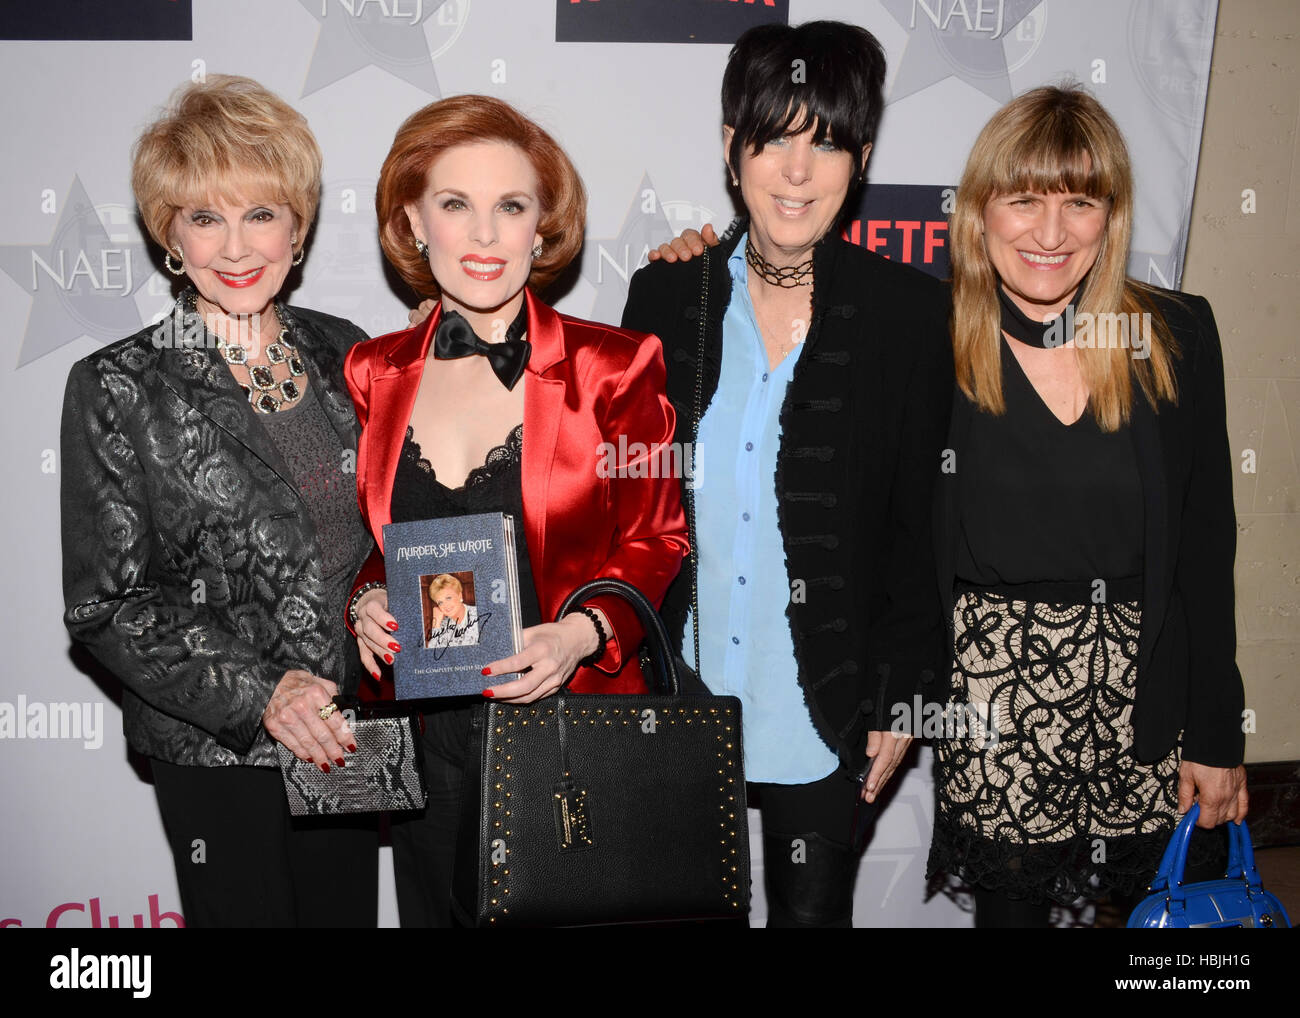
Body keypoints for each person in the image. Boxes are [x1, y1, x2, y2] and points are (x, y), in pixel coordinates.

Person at [620, 21, 954, 927]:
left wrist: (906, 692)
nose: (798, 172)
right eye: (773, 139)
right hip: (680, 701)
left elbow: (922, 528)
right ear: (734, 151)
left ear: (863, 157)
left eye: (828, 141)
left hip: (826, 703)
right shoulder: (665, 299)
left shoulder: (910, 316)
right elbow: (628, 505)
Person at [345, 94, 689, 927]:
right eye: (456, 205)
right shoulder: (372, 370)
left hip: (569, 730)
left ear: (543, 228)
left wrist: (580, 636)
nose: (486, 235)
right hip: (427, 743)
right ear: (414, 223)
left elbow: (659, 536)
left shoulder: (615, 366)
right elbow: (380, 541)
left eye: (511, 207)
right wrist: (367, 601)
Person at [60, 76, 377, 927]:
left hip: (348, 734)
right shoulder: (119, 384)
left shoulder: (346, 353)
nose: (236, 247)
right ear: (170, 235)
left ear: (299, 226)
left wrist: (384, 596)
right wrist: (264, 694)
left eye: (260, 214)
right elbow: (105, 602)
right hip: (216, 747)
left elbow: (382, 526)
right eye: (205, 218)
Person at [927, 85, 1248, 927]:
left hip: (1152, 703)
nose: (1050, 232)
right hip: (994, 705)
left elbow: (1208, 553)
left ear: (1111, 214)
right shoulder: (928, 336)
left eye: (1080, 202)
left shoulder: (1172, 334)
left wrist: (1219, 735)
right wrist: (698, 260)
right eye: (1023, 199)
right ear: (980, 209)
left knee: (1171, 938)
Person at [424, 573, 478, 648]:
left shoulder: (478, 614)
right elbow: (433, 652)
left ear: (460, 595)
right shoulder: (442, 624)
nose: (445, 605)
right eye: (440, 602)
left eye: (448, 598)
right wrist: (436, 624)